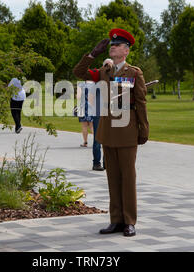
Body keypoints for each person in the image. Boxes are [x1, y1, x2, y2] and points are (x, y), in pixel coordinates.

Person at [73, 28, 149, 237]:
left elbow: (141, 102)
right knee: (113, 177)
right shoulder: (104, 72)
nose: (112, 47)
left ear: (125, 51)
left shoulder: (134, 73)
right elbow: (79, 73)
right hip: (108, 131)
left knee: (128, 177)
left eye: (117, 45)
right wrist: (91, 55)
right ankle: (115, 220)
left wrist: (144, 128)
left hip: (126, 130)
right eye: (111, 45)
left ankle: (129, 221)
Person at [91, 58, 113, 171]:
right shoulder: (98, 78)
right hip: (98, 112)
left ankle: (106, 162)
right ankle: (96, 163)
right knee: (97, 139)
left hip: (110, 112)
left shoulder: (112, 79)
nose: (108, 68)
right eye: (106, 65)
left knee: (108, 139)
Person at [76, 80, 94, 147]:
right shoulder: (94, 84)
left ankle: (85, 142)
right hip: (92, 107)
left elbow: (78, 97)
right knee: (92, 126)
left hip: (83, 107)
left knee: (84, 126)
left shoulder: (81, 84)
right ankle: (96, 142)